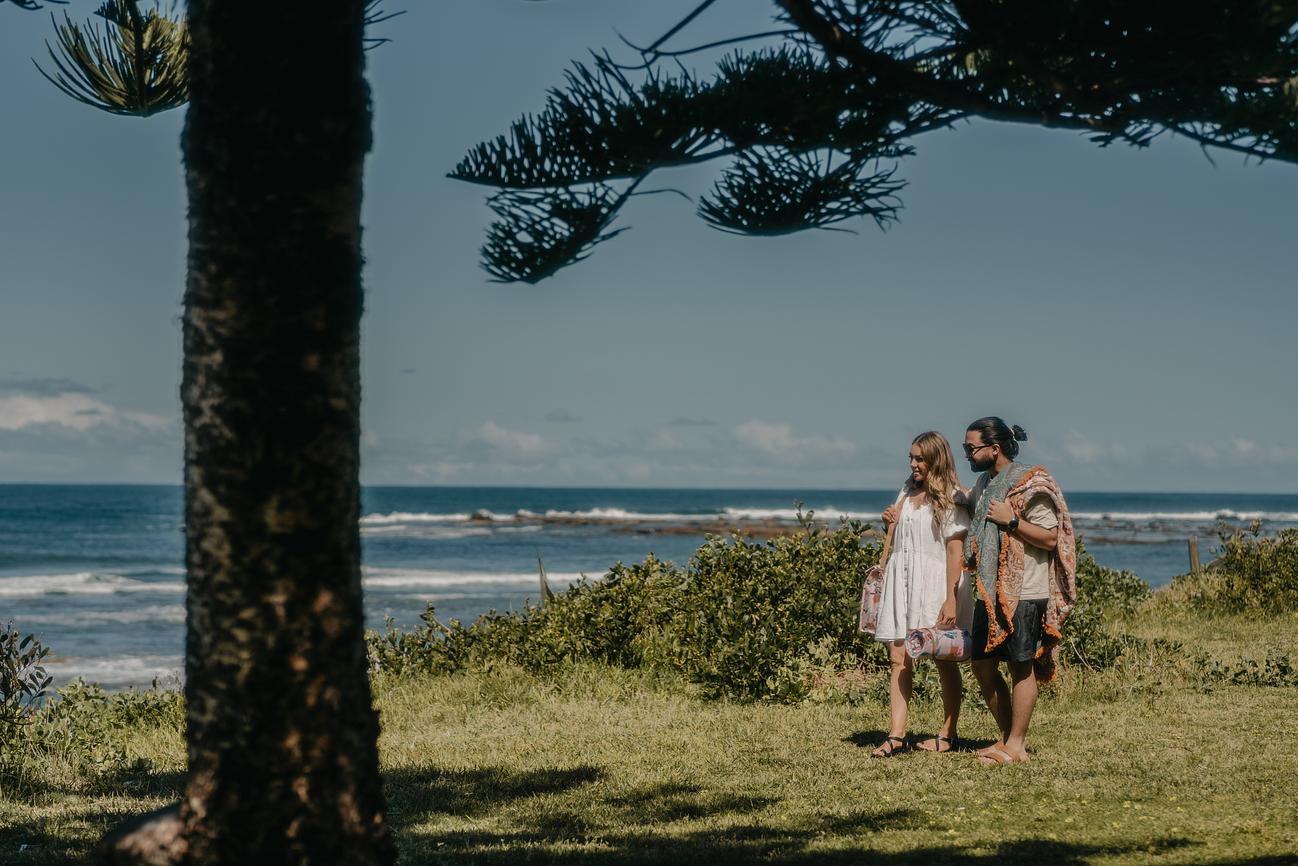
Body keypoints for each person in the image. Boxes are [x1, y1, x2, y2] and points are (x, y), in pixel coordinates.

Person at [961, 417, 1077, 766]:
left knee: (1020, 667)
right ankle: (1009, 738)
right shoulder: (985, 484)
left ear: (993, 449)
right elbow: (967, 505)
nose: (967, 453)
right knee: (982, 665)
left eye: (971, 448)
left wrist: (1010, 521)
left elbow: (1050, 538)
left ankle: (1016, 745)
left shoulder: (1032, 483)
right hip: (991, 590)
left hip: (1026, 589)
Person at [870, 431, 973, 758]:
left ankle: (947, 733)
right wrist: (890, 521)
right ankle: (896, 735)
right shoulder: (906, 490)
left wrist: (950, 597)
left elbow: (955, 552)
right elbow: (905, 537)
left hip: (933, 582)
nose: (913, 464)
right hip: (901, 580)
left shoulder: (952, 497)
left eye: (919, 459)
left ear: (935, 459)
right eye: (911, 458)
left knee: (943, 658)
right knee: (898, 657)